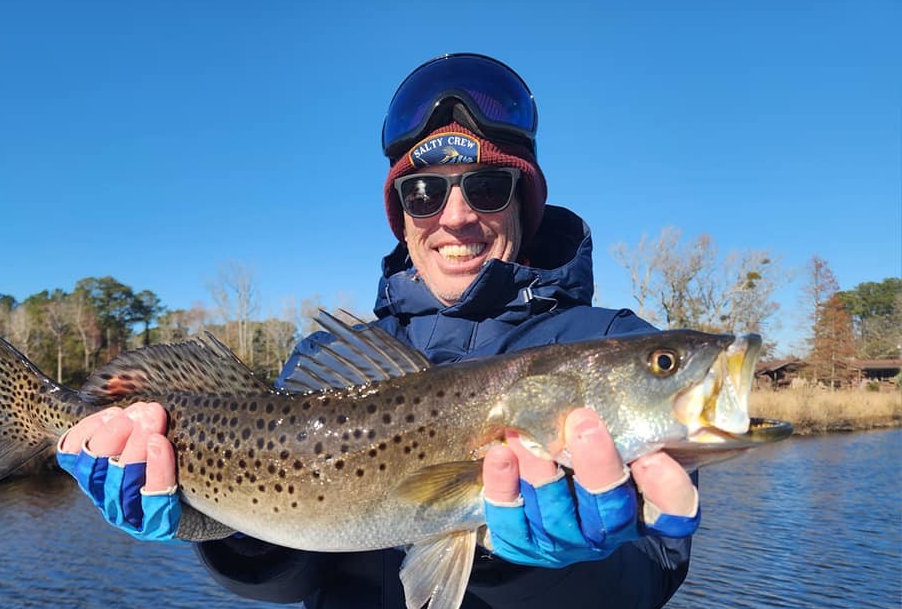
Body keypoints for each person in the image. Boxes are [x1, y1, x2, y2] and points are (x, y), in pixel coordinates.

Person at [57, 53, 699, 608]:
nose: (455, 217)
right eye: (422, 192)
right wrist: (225, 527)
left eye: (486, 187)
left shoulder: (612, 340)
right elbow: (287, 579)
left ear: (523, 200)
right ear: (401, 213)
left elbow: (653, 578)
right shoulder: (324, 360)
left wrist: (525, 567)